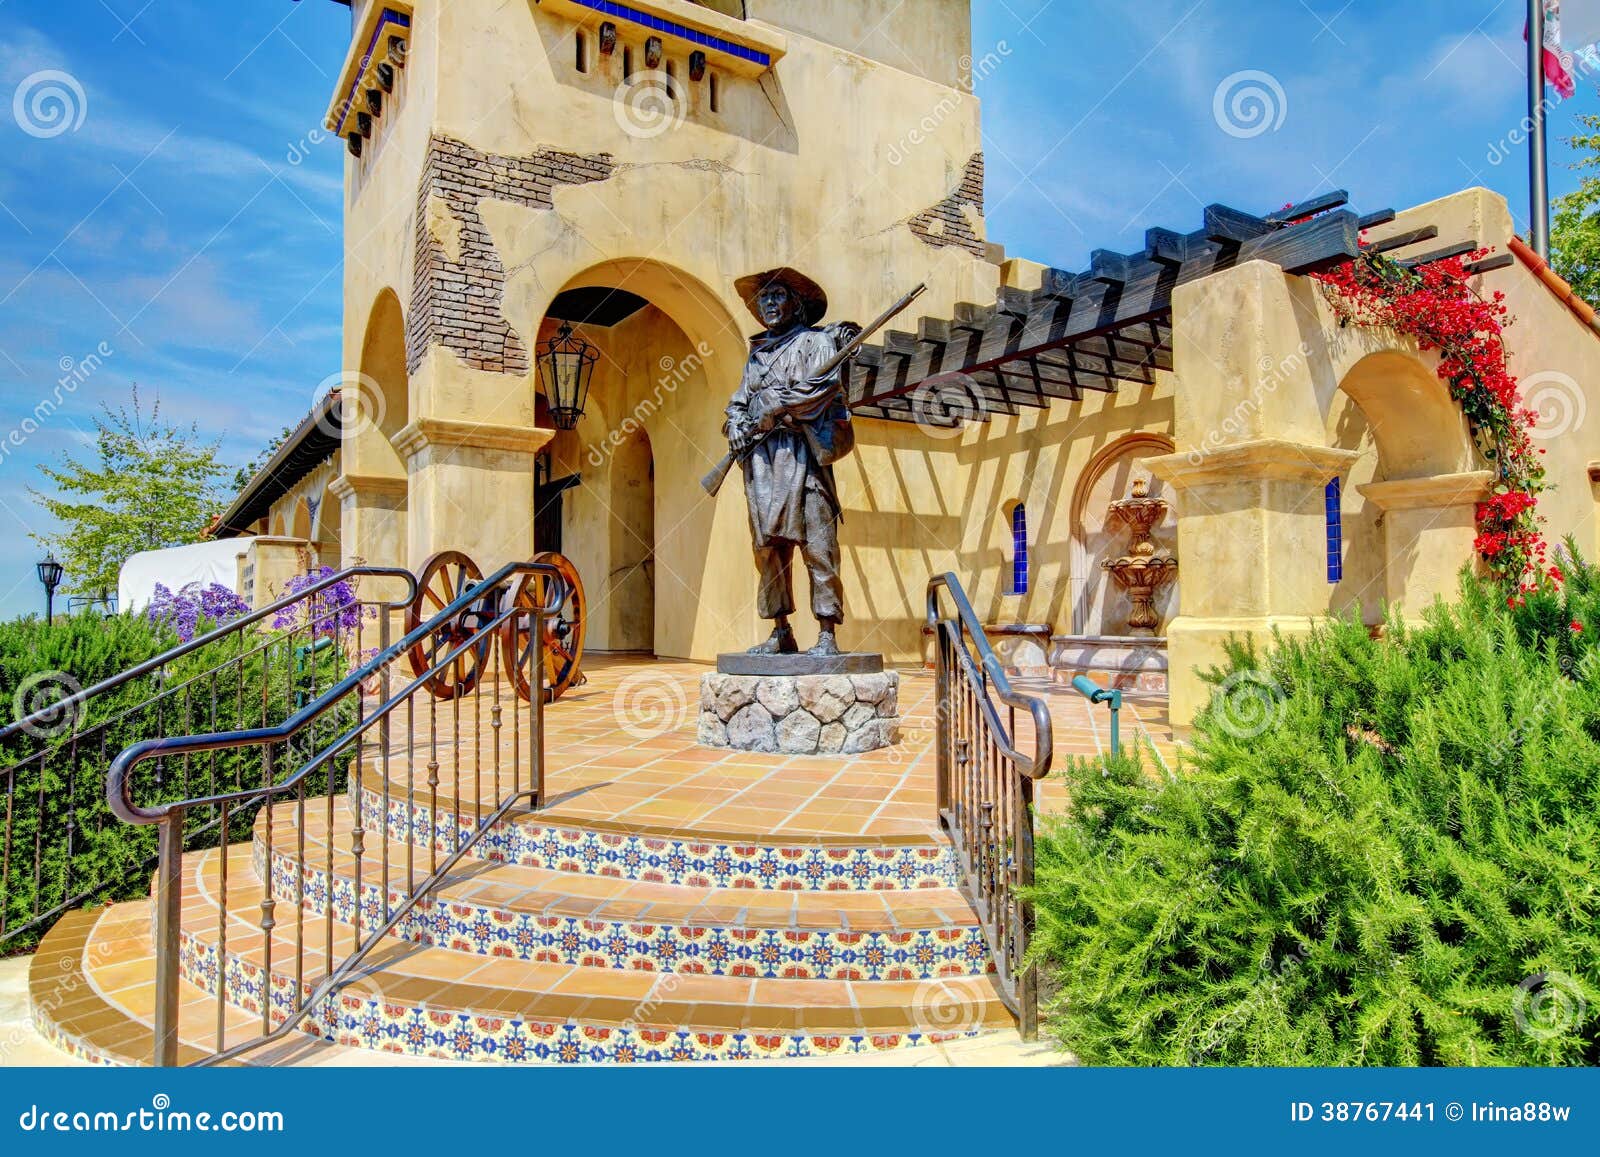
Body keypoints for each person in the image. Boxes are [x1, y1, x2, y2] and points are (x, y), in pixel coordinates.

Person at [723, 267, 859, 657]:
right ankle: (780, 630)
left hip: (803, 456)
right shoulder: (758, 356)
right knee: (768, 549)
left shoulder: (815, 343)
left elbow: (823, 389)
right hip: (764, 463)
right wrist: (735, 423)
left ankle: (827, 632)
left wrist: (776, 404)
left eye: (777, 295)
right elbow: (738, 403)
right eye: (763, 297)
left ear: (796, 304)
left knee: (819, 546)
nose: (768, 303)